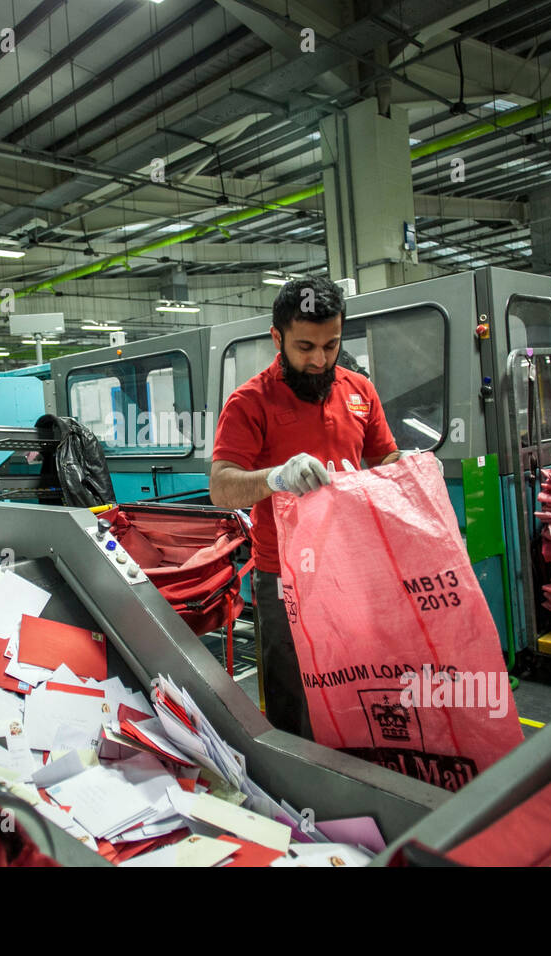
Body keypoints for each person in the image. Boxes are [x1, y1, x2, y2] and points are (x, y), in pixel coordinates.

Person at [209, 277, 400, 739]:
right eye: (305, 346)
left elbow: (386, 458)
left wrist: (405, 472)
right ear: (277, 338)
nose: (319, 360)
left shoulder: (360, 392)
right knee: (293, 701)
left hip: (353, 569)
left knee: (360, 687)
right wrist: (276, 478)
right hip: (285, 578)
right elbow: (221, 488)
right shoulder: (250, 403)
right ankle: (297, 797)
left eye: (331, 345)